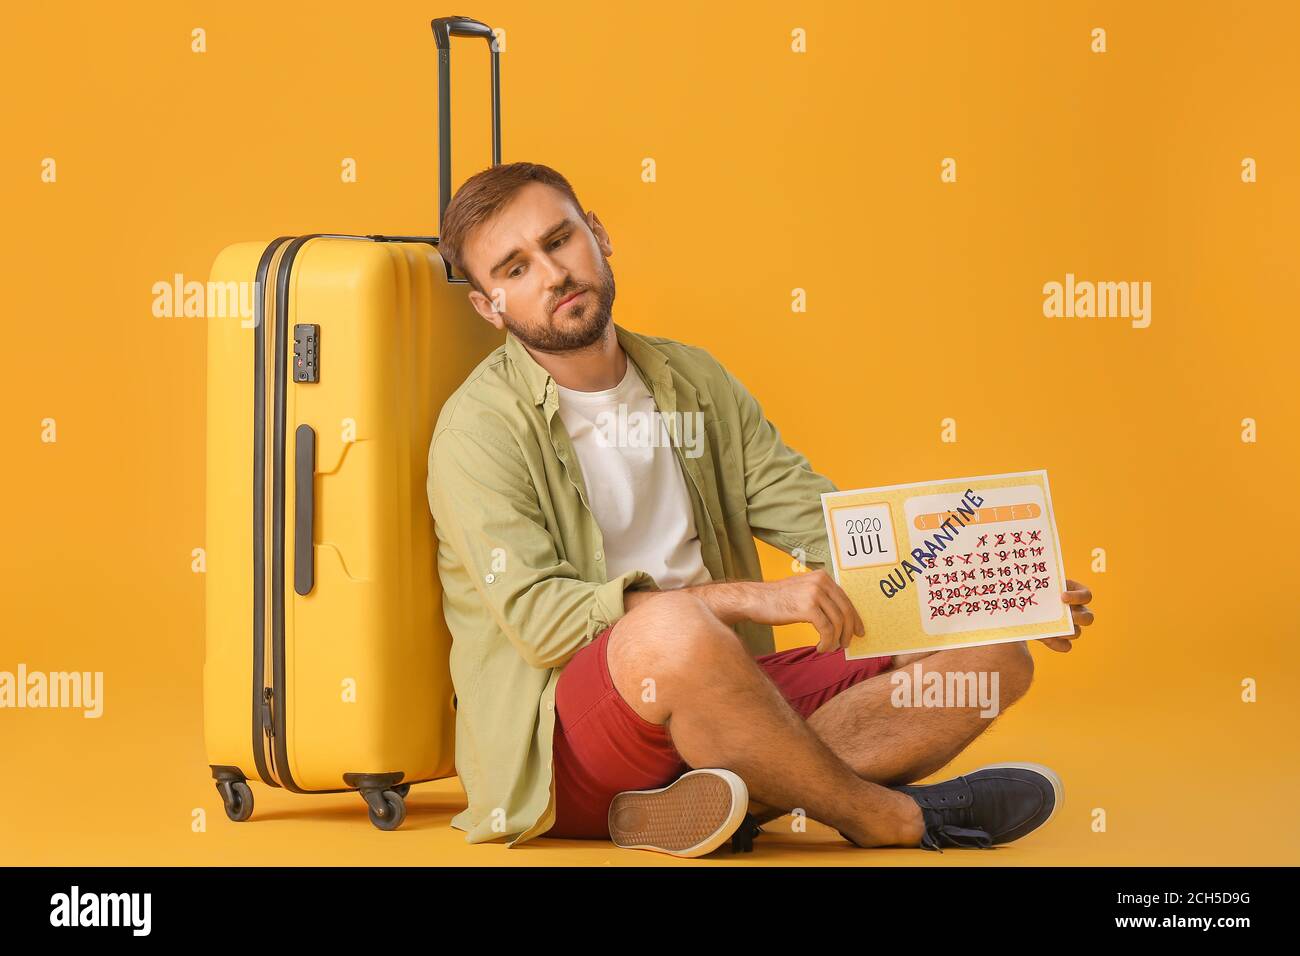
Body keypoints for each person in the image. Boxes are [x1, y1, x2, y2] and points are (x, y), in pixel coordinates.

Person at [426, 162, 1095, 857]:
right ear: (489, 307)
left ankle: (710, 805)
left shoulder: (695, 380)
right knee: (676, 629)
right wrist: (749, 601)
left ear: (597, 234)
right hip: (572, 747)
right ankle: (890, 816)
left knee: (995, 659)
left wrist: (999, 595)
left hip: (724, 703)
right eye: (514, 269)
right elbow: (542, 622)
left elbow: (818, 519)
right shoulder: (478, 431)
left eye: (559, 240)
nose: (552, 274)